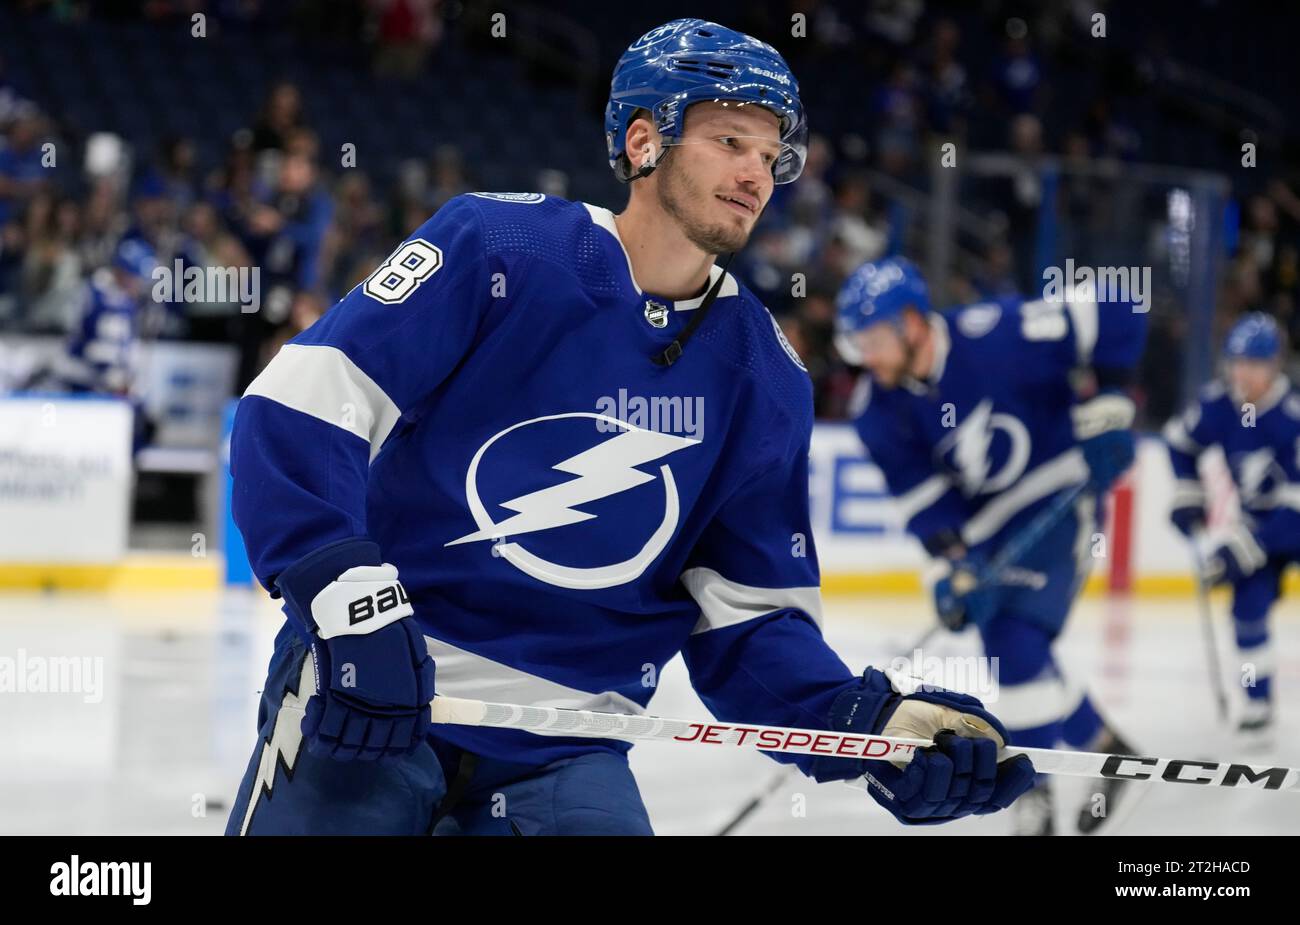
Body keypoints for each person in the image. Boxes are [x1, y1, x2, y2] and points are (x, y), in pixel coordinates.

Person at [224, 18, 1034, 836]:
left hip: (570, 746)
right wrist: (343, 590)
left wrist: (868, 723)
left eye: (771, 154)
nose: (758, 173)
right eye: (730, 140)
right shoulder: (499, 247)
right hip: (378, 683)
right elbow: (298, 406)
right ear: (645, 141)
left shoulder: (767, 378)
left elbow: (750, 623)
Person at [836, 257, 1146, 835]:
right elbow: (929, 509)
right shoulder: (876, 412)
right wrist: (954, 568)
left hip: (1061, 498)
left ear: (911, 322)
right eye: (857, 343)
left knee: (1013, 642)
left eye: (873, 339)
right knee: (1016, 648)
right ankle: (1108, 748)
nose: (866, 357)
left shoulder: (999, 332)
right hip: (990, 531)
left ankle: (1035, 797)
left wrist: (1113, 397)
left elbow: (1123, 305)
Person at [1164, 312, 1299, 745]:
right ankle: (1258, 703)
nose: (1242, 372)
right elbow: (1180, 443)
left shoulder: (1293, 416)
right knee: (1247, 606)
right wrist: (1189, 496)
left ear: (1274, 364)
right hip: (1262, 527)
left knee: (1243, 572)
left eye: (1253, 363)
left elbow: (1294, 512)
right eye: (1236, 361)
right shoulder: (1221, 405)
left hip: (1290, 523)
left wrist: (1236, 551)